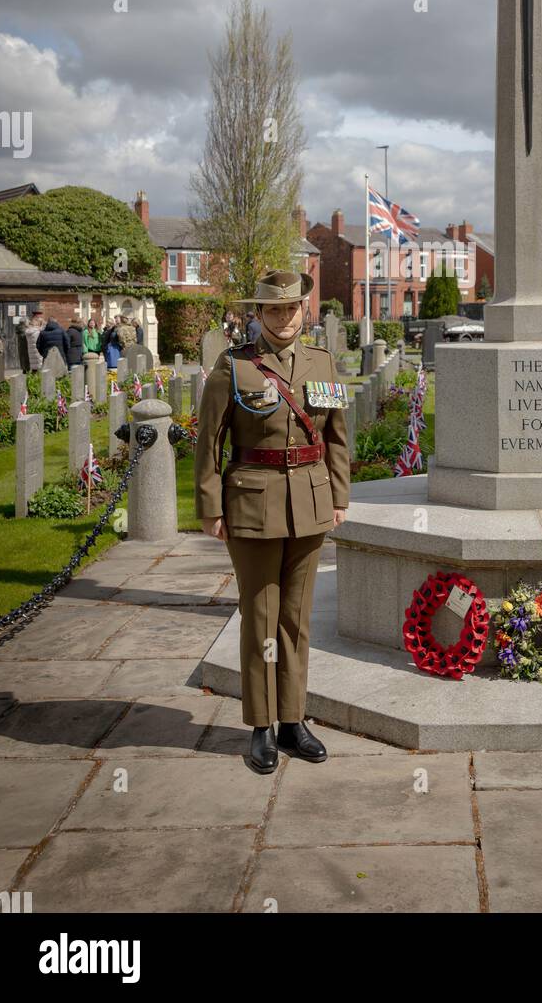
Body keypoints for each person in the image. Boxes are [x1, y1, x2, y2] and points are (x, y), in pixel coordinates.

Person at [195, 270, 350, 774]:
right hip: (252, 504)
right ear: (258, 314)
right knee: (261, 615)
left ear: (304, 310)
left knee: (296, 619)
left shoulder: (322, 364)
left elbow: (336, 439)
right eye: (274, 310)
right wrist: (211, 506)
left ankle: (293, 721)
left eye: (293, 309)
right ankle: (261, 726)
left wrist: (339, 497)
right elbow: (209, 442)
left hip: (309, 502)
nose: (285, 319)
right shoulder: (234, 367)